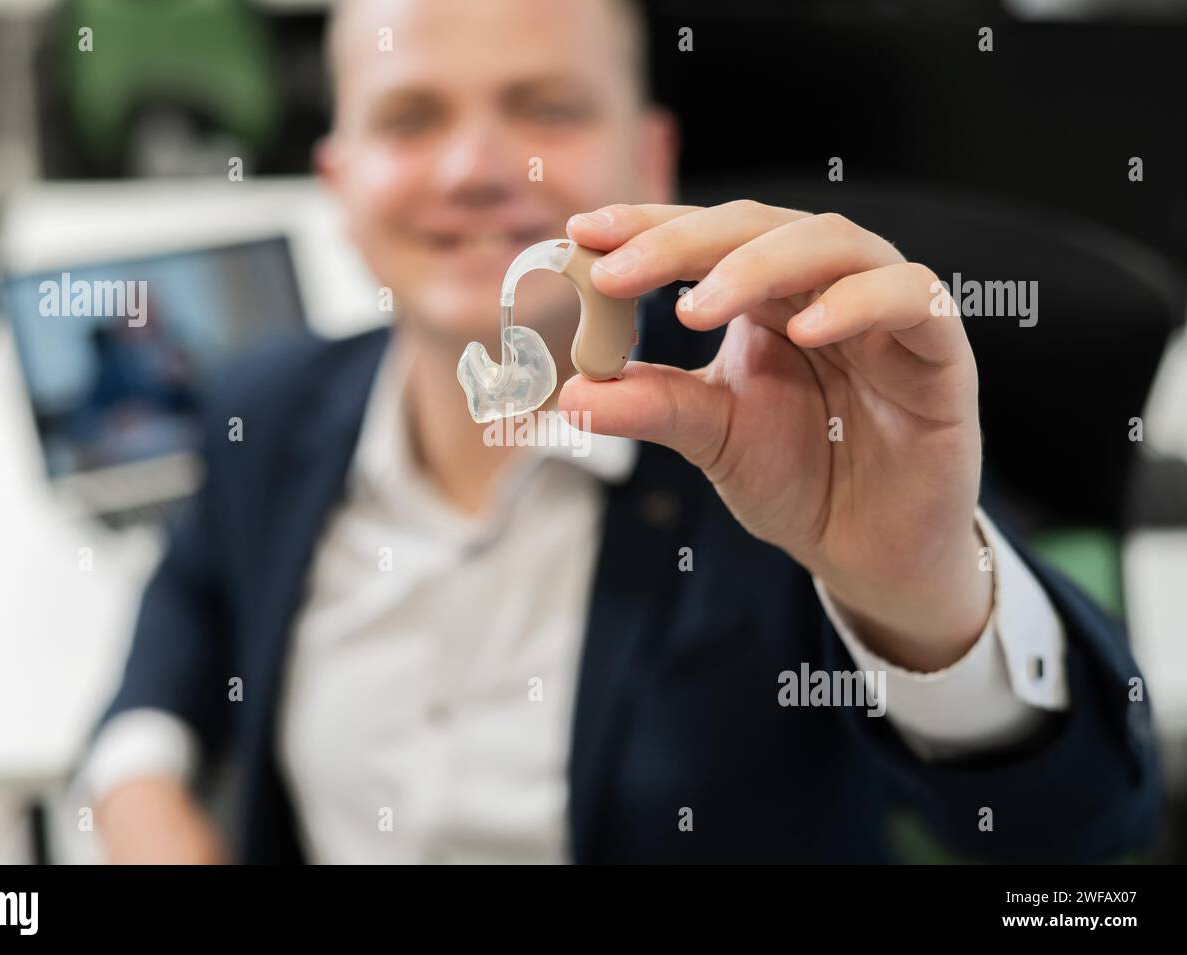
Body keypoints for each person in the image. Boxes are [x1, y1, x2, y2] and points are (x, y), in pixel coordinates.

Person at [78, 0, 1157, 863]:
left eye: (544, 107)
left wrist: (916, 590)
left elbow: (1078, 832)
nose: (472, 169)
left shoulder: (788, 423)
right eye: (409, 119)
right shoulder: (266, 408)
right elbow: (167, 657)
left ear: (650, 160)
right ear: (339, 180)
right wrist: (143, 799)